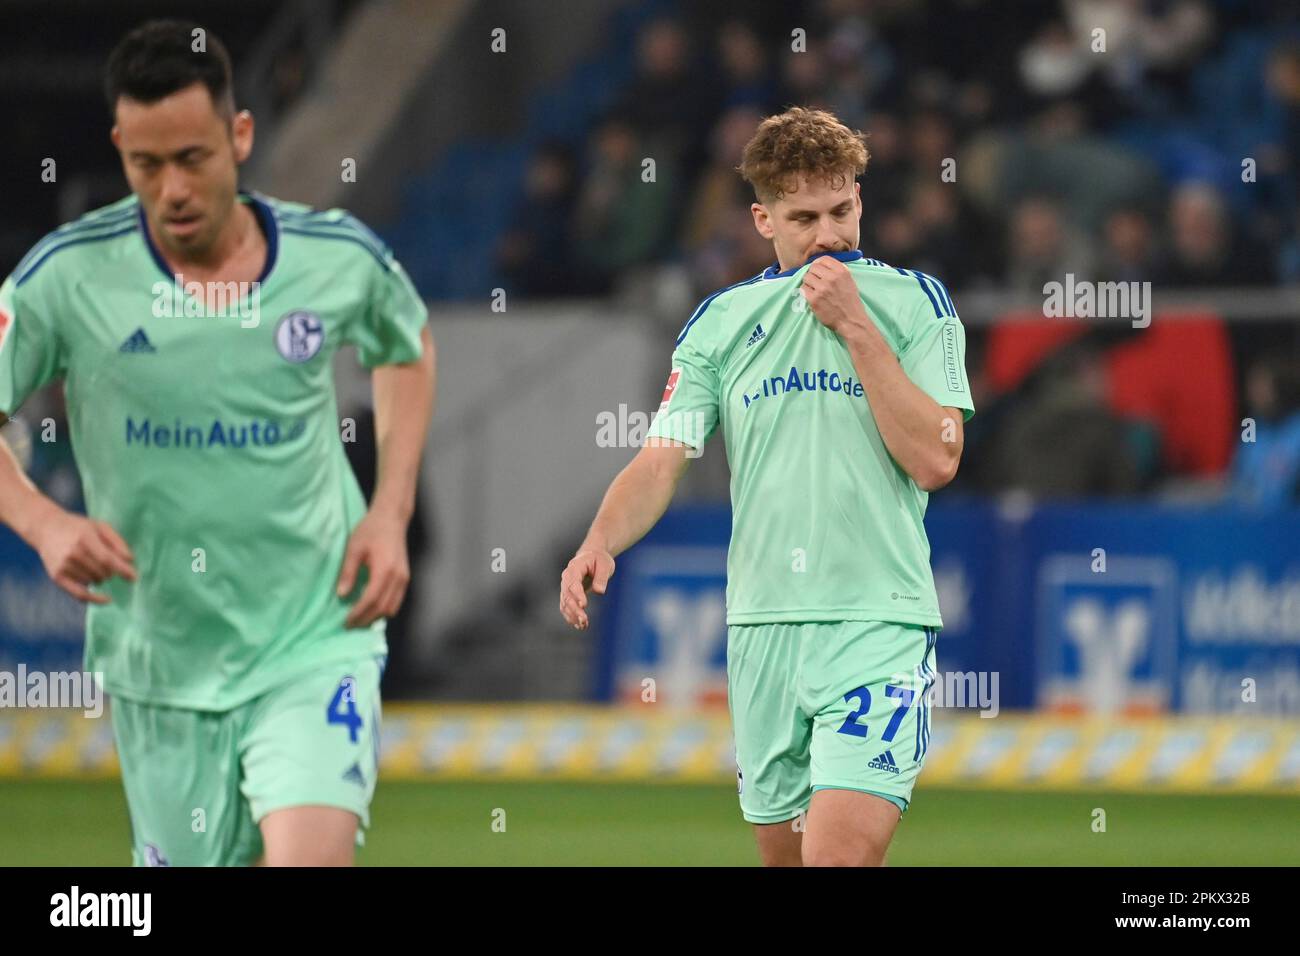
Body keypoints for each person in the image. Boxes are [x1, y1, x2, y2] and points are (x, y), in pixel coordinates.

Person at [0, 20, 436, 866]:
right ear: (121, 148)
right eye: (146, 164)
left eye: (193, 159)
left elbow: (406, 344)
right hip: (161, 661)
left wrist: (390, 510)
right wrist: (43, 524)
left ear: (240, 136)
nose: (172, 189)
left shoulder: (334, 257)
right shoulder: (65, 279)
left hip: (315, 633)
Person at [559, 107, 974, 866]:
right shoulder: (720, 322)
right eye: (804, 217)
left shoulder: (916, 305)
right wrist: (600, 538)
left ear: (861, 201)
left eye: (842, 211)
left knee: (838, 859)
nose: (829, 236)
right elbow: (661, 458)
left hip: (875, 626)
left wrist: (856, 329)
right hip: (762, 633)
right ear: (763, 220)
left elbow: (938, 457)